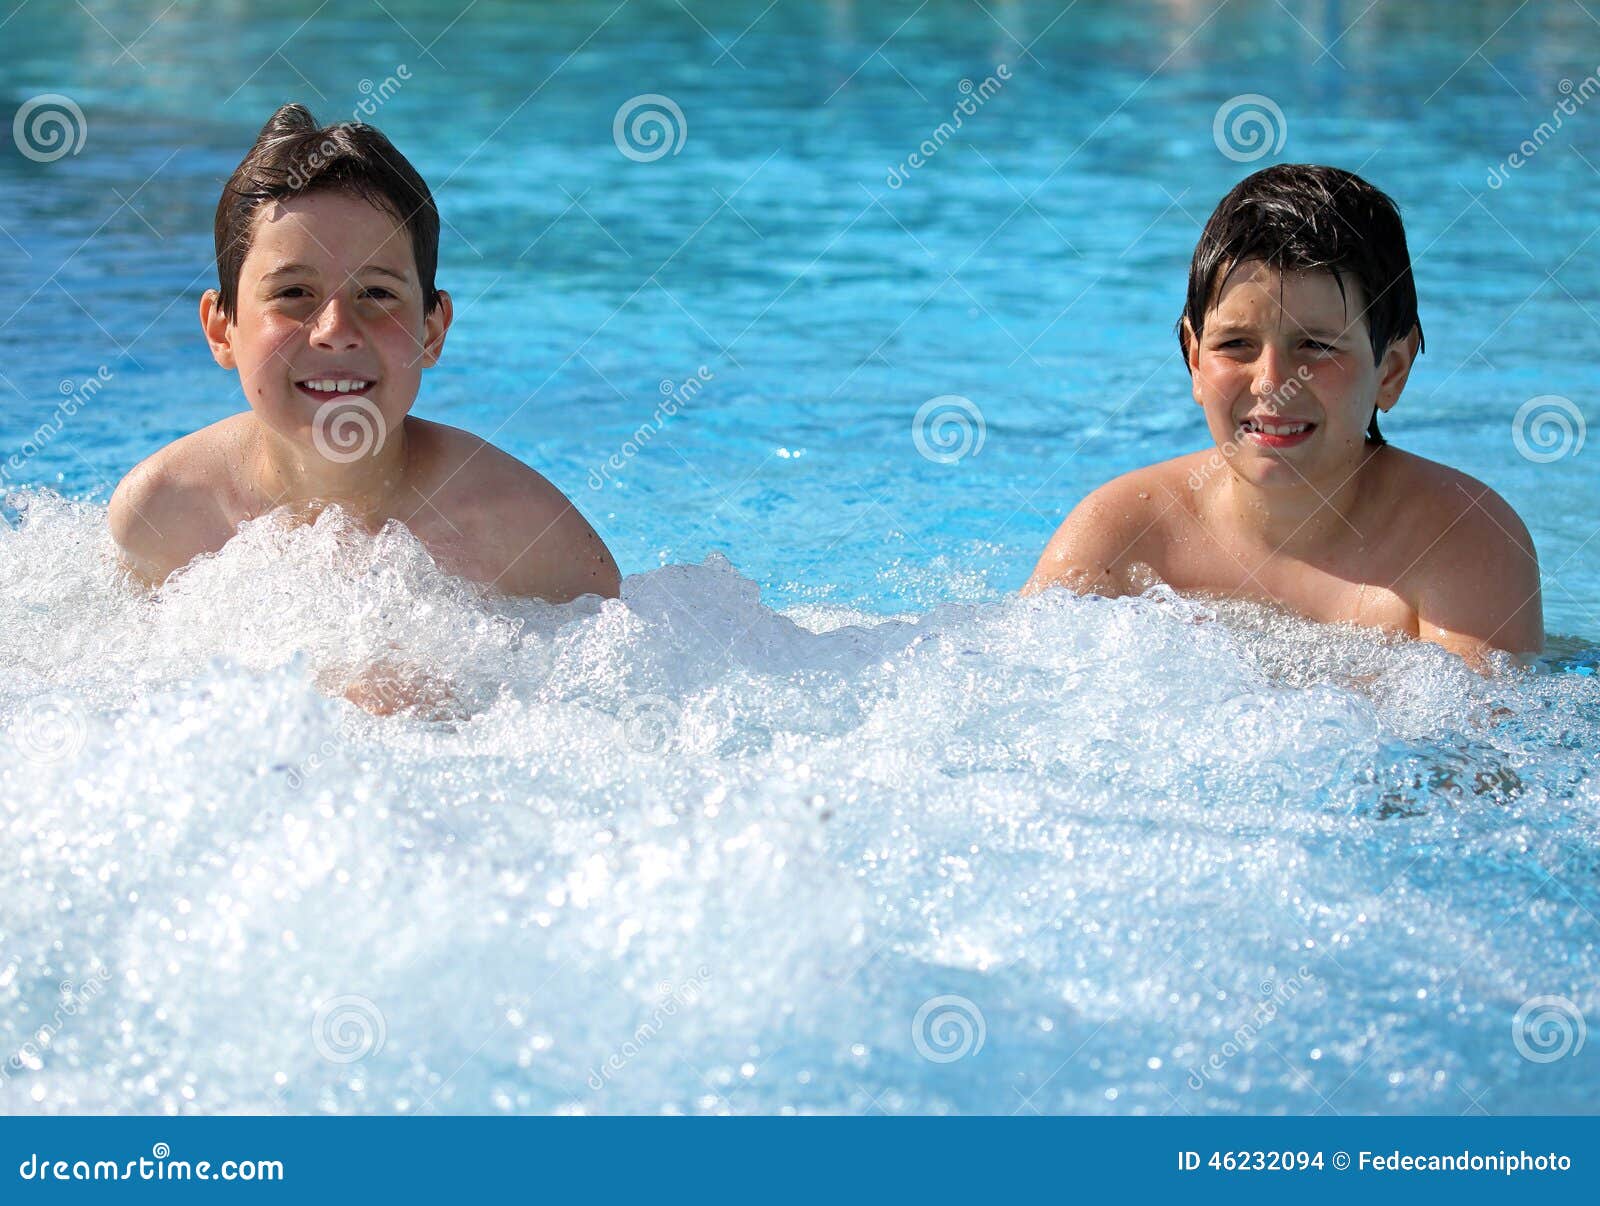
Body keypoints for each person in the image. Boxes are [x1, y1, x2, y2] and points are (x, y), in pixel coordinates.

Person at [1024, 164, 1542, 662]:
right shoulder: (1122, 534)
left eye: (1317, 345)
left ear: (1391, 371)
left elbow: (1474, 751)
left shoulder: (1459, 540)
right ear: (1194, 358)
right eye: (1237, 343)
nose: (1272, 381)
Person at [109, 103, 619, 606]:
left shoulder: (530, 539)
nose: (336, 331)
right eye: (293, 294)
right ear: (222, 330)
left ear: (432, 331)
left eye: (376, 294)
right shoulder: (162, 516)